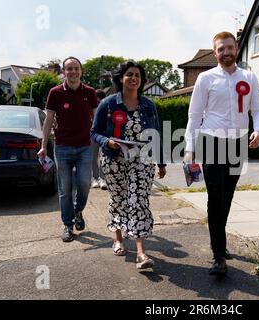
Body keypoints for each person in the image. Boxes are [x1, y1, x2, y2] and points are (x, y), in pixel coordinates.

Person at [184, 32, 259, 276]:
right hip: (212, 142)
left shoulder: (249, 77)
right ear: (215, 52)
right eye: (221, 49)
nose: (226, 52)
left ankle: (218, 241)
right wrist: (190, 148)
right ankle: (218, 255)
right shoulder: (205, 78)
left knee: (227, 197)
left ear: (237, 48)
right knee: (215, 197)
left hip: (238, 144)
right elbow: (194, 115)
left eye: (229, 47)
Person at [91, 61, 167, 270]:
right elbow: (94, 132)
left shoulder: (148, 105)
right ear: (121, 79)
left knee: (139, 200)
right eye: (130, 74)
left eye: (138, 76)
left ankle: (141, 253)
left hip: (142, 159)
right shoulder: (108, 104)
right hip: (113, 160)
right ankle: (118, 238)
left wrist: (161, 162)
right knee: (119, 199)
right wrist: (108, 142)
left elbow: (156, 134)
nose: (134, 78)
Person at [38, 57, 98, 243]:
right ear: (64, 72)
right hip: (62, 147)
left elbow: (96, 119)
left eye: (76, 68)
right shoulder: (55, 93)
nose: (73, 72)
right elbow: (48, 121)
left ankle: (78, 211)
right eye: (69, 69)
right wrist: (43, 146)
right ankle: (67, 225)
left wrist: (101, 140)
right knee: (64, 189)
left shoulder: (90, 92)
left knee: (84, 184)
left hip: (85, 147)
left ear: (81, 71)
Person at [91, 90, 108, 190]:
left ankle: (102, 179)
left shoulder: (107, 106)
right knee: (93, 157)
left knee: (103, 157)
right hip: (93, 134)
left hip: (104, 135)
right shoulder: (91, 107)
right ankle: (94, 178)